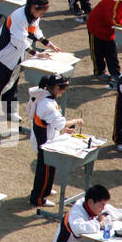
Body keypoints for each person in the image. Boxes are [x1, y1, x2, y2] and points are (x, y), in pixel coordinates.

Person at [29, 74, 82, 207]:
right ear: (57, 87)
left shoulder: (44, 96)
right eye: (64, 89)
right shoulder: (47, 104)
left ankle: (45, 189)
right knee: (45, 170)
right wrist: (75, 121)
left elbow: (52, 123)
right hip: (45, 142)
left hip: (48, 138)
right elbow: (59, 122)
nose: (64, 92)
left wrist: (62, 130)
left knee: (49, 168)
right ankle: (38, 198)